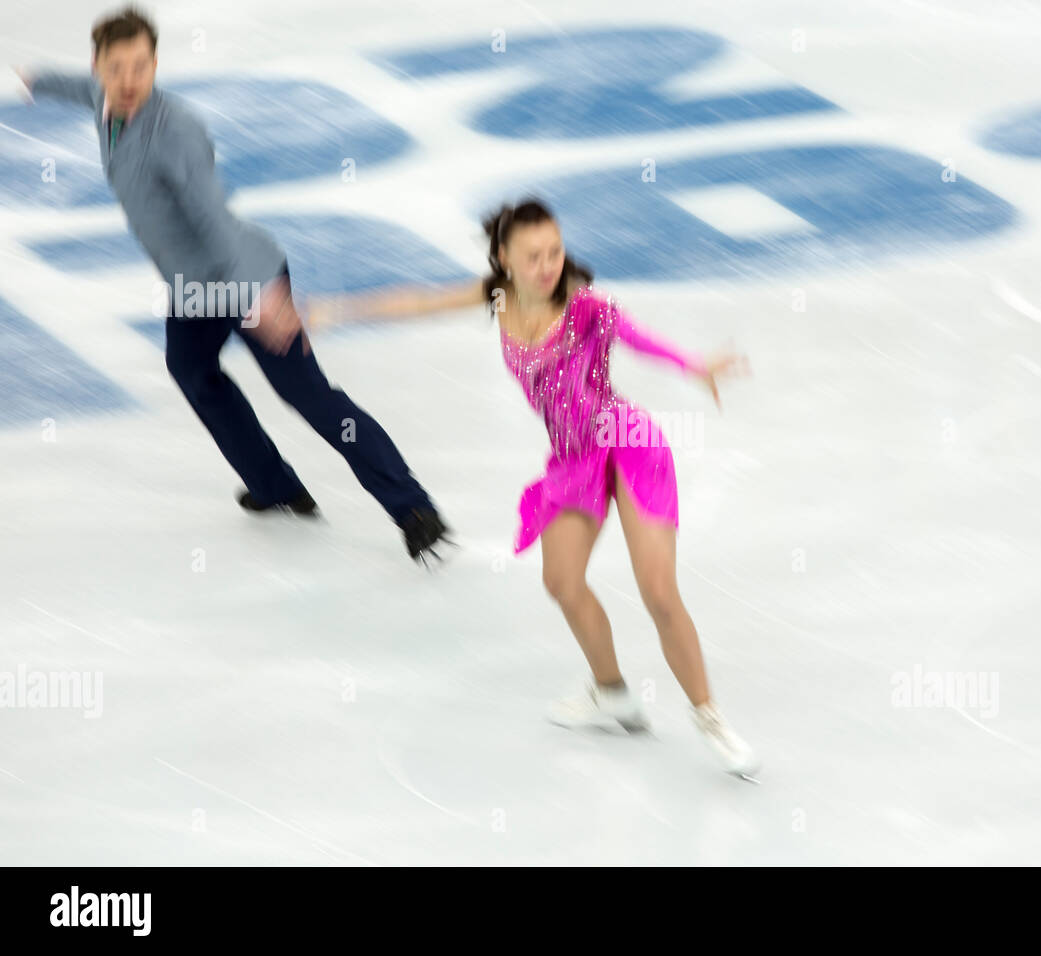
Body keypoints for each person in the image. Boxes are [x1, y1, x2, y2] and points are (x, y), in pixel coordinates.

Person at [311, 199, 760, 776]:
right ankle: (611, 692)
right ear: (504, 259)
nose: (549, 265)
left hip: (627, 444)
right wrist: (337, 309)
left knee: (658, 592)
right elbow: (420, 300)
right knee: (561, 581)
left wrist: (693, 365)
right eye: (534, 256)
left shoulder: (586, 307)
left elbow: (639, 337)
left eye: (555, 251)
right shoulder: (496, 297)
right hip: (574, 460)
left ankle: (709, 717)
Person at [15, 7, 451, 564]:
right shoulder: (106, 101)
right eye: (116, 67)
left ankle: (413, 508)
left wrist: (263, 298)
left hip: (246, 279)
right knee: (192, 370)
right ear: (99, 66)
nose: (129, 80)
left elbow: (213, 219)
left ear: (155, 65)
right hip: (194, 290)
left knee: (309, 396)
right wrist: (30, 77)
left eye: (141, 66)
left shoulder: (177, 133)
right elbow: (76, 87)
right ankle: (275, 486)